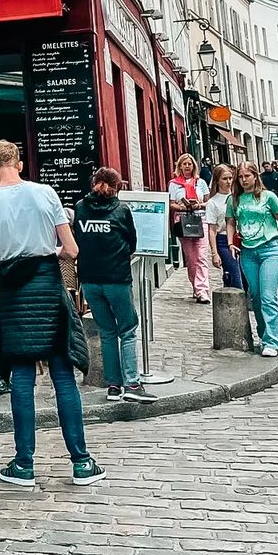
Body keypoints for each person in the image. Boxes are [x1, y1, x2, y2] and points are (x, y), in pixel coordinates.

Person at [0, 140, 105, 489]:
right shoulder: (45, 193)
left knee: (23, 380)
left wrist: (2, 262)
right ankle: (82, 462)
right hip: (48, 288)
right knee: (63, 377)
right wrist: (48, 251)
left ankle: (24, 465)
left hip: (14, 294)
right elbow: (72, 250)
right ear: (19, 162)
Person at [72, 167, 156, 405]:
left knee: (107, 332)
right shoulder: (121, 210)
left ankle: (113, 385)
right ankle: (132, 383)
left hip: (90, 280)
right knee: (127, 329)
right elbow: (132, 242)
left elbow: (77, 238)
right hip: (117, 279)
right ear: (117, 187)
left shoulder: (80, 208)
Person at [226, 162, 278, 357]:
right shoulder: (234, 199)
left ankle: (273, 340)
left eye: (247, 176)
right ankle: (264, 336)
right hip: (248, 252)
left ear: (255, 176)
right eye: (240, 177)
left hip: (269, 249)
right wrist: (230, 243)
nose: (243, 180)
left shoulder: (268, 197)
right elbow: (230, 222)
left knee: (268, 296)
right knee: (256, 296)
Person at [169, 153, 211, 303]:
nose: (187, 166)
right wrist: (182, 206)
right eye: (184, 164)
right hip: (183, 220)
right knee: (191, 257)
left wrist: (199, 205)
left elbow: (209, 201)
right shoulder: (174, 184)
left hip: (201, 219)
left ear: (194, 166)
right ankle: (195, 286)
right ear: (180, 166)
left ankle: (202, 289)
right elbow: (171, 203)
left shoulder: (201, 183)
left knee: (201, 255)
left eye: (190, 164)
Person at [205, 165, 243, 289]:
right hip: (223, 240)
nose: (228, 182)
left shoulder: (239, 197)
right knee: (235, 277)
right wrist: (214, 253)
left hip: (242, 239)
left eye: (230, 178)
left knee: (246, 277)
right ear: (217, 181)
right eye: (224, 179)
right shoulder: (213, 202)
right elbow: (212, 229)